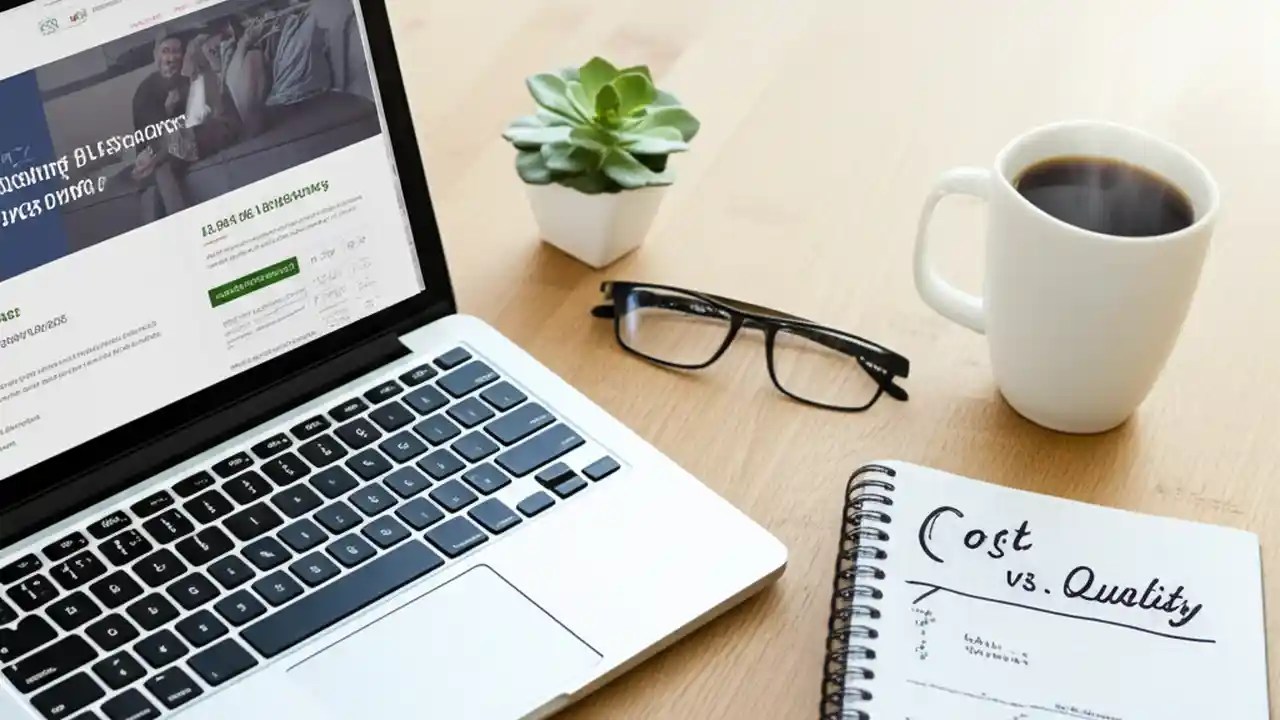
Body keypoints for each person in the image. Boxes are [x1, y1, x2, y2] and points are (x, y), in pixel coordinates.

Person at [131, 32, 190, 220]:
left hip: (182, 148)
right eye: (165, 52)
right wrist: (169, 112)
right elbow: (158, 141)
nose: (171, 59)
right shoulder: (146, 91)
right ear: (156, 55)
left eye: (176, 52)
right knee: (159, 171)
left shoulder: (186, 82)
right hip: (156, 155)